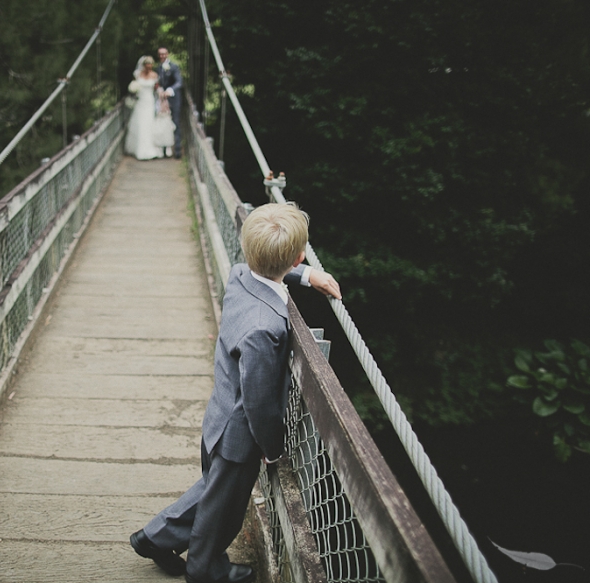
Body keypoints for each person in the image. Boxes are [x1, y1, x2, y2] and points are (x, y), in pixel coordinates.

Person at [130, 203, 341, 583]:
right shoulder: (264, 328)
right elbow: (259, 401)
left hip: (220, 415)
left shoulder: (240, 275)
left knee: (215, 491)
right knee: (224, 509)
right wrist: (272, 447)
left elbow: (271, 267)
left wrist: (308, 275)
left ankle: (155, 538)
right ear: (297, 256)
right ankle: (206, 568)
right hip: (240, 434)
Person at [125, 56, 164, 160]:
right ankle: (139, 149)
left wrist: (162, 96)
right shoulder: (137, 75)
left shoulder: (154, 75)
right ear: (143, 66)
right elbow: (133, 85)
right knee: (140, 124)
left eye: (150, 65)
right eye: (146, 66)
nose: (148, 68)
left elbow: (157, 88)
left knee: (149, 124)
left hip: (149, 102)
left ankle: (150, 149)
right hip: (140, 102)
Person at [156, 47, 183, 159]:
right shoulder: (157, 68)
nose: (162, 56)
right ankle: (164, 150)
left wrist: (169, 91)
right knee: (163, 124)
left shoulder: (174, 67)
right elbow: (157, 83)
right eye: (160, 54)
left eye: (164, 54)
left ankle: (177, 150)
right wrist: (159, 90)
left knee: (175, 123)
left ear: (167, 54)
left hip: (174, 99)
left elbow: (179, 82)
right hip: (162, 100)